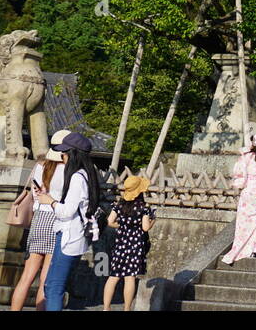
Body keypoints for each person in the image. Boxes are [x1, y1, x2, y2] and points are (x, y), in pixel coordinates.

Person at [38, 131, 102, 311]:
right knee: (53, 285)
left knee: (53, 287)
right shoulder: (88, 175)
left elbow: (66, 212)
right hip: (76, 237)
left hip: (69, 237)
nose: (63, 157)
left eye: (65, 154)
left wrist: (49, 200)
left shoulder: (76, 177)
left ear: (74, 154)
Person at [9, 128, 71, 311]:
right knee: (46, 279)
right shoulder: (67, 170)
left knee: (26, 276)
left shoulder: (39, 166)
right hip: (56, 218)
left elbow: (34, 193)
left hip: (38, 219)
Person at [222, 134, 256, 265]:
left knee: (242, 224)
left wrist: (239, 185)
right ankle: (252, 250)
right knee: (255, 224)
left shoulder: (246, 157)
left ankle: (239, 249)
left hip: (248, 192)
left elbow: (239, 174)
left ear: (253, 143)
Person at [103, 174, 155, 311]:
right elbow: (145, 228)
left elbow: (109, 222)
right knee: (130, 277)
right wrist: (153, 219)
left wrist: (122, 226)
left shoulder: (118, 206)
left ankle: (106, 308)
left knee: (113, 277)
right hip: (135, 246)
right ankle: (127, 308)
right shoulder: (143, 208)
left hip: (120, 245)